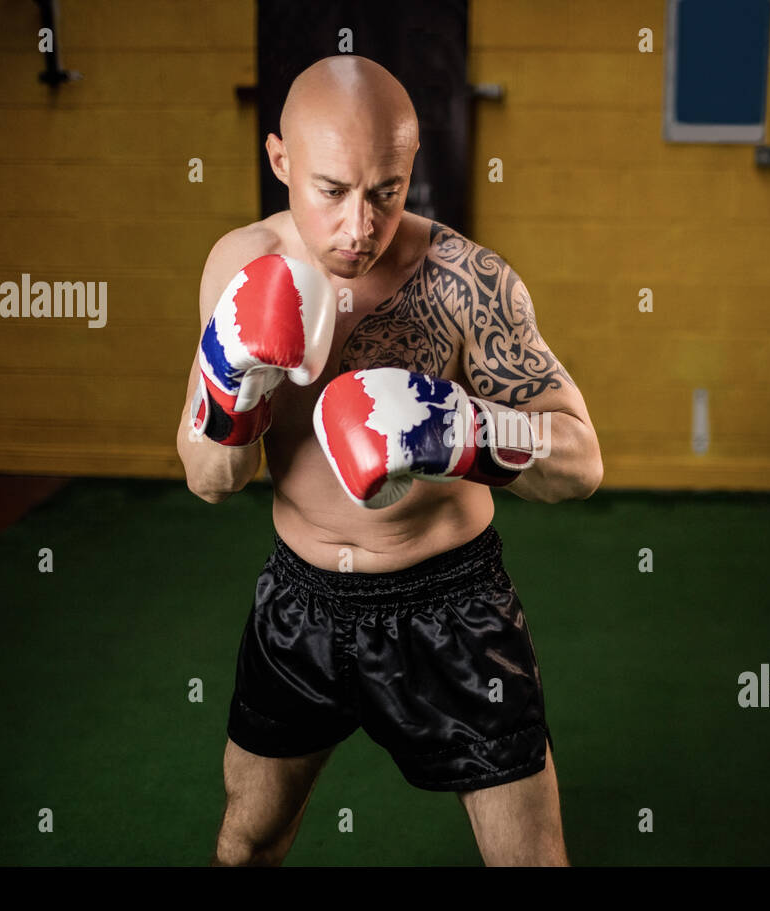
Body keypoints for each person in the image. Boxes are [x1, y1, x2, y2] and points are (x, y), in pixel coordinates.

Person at [176, 54, 602, 867]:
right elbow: (210, 479)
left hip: (453, 605)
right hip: (300, 606)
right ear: (280, 162)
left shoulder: (467, 282)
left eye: (386, 191)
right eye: (331, 190)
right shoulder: (241, 266)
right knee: (247, 840)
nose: (359, 227)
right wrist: (231, 386)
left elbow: (581, 464)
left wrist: (461, 433)